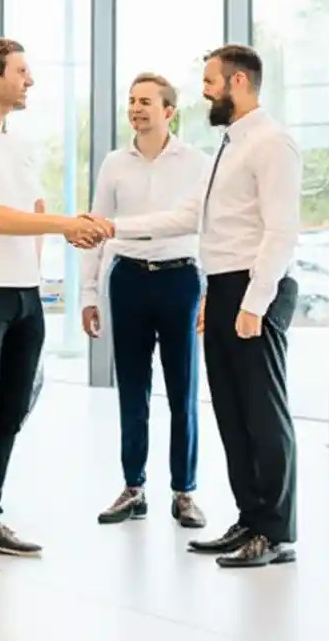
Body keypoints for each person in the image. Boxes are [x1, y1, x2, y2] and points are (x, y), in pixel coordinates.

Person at [86, 43, 302, 568]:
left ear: (239, 84)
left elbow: (282, 230)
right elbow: (185, 217)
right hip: (225, 287)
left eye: (211, 82)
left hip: (255, 289)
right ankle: (249, 520)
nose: (205, 91)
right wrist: (113, 229)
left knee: (263, 416)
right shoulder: (231, 146)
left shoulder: (272, 144)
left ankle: (274, 534)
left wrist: (254, 302)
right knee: (232, 412)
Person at [0, 37, 107, 574]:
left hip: (23, 295)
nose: (30, 81)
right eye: (22, 71)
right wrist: (64, 225)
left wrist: (43, 254)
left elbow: (31, 207)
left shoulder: (18, 144)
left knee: (10, 411)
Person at [81, 73, 210, 529]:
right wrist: (88, 293)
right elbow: (96, 227)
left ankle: (185, 492)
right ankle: (133, 488)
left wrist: (210, 290)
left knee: (183, 393)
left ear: (169, 111)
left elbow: (206, 229)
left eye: (146, 102)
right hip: (128, 279)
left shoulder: (197, 162)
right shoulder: (115, 163)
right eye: (132, 101)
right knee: (132, 391)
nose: (136, 109)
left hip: (180, 281)